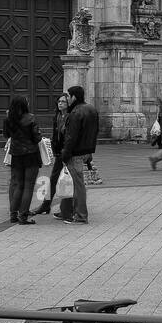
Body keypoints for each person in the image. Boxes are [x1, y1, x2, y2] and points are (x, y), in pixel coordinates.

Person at [61, 86, 99, 225]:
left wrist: (65, 154)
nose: (68, 99)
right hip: (86, 151)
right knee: (79, 184)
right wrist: (90, 151)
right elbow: (95, 132)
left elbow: (71, 137)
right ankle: (74, 212)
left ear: (74, 97)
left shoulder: (75, 112)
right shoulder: (91, 109)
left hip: (76, 153)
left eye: (69, 96)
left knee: (78, 185)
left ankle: (81, 215)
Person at [3, 96, 43, 225]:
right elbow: (36, 137)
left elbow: (6, 135)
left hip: (16, 155)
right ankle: (23, 216)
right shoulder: (30, 118)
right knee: (28, 186)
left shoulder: (8, 119)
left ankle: (13, 215)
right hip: (31, 154)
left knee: (18, 185)